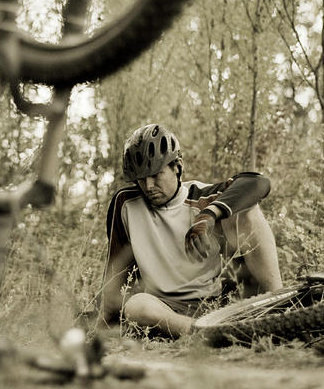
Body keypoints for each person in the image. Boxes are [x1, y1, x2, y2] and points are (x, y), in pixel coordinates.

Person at [99, 123, 283, 337]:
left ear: (177, 167)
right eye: (141, 179)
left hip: (215, 302)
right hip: (163, 308)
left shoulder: (202, 194)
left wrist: (209, 215)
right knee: (135, 307)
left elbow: (258, 183)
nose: (148, 186)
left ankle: (279, 303)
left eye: (156, 175)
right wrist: (106, 322)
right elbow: (117, 267)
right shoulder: (125, 204)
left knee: (248, 211)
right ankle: (205, 333)